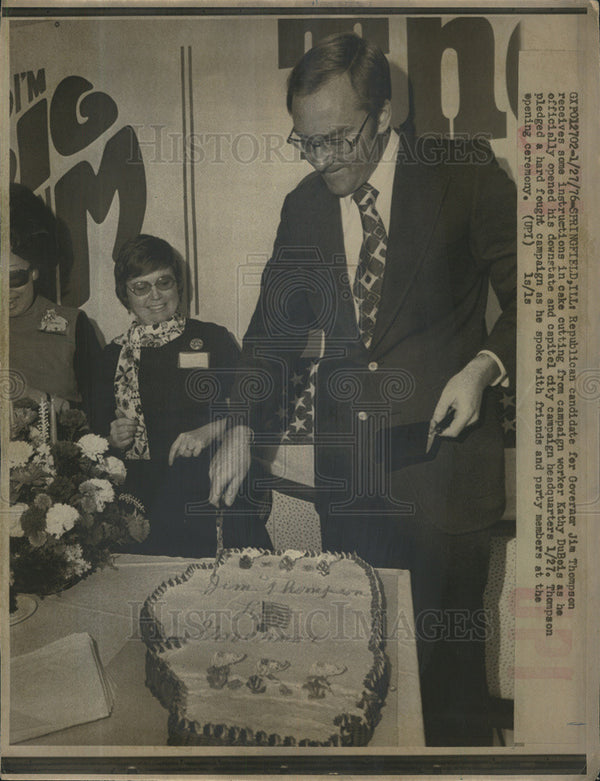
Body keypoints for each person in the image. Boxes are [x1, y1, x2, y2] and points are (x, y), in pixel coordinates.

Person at [203, 33, 517, 745]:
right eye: (306, 143)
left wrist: (487, 364)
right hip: (353, 479)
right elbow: (271, 335)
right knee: (356, 681)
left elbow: (545, 291)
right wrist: (246, 421)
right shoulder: (306, 208)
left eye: (339, 139)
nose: (324, 160)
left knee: (448, 688)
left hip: (447, 471)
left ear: (382, 113)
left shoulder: (463, 173)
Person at [90, 234, 271, 557]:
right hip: (143, 496)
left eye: (164, 282)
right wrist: (113, 438)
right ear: (125, 295)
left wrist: (212, 429)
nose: (155, 296)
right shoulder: (110, 357)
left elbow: (254, 411)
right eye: (141, 287)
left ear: (178, 285)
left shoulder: (212, 339)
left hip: (209, 484)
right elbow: (95, 437)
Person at [9, 183, 102, 415]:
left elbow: (102, 411)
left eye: (14, 277)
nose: (5, 292)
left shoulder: (72, 325)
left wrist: (34, 397)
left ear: (35, 271)